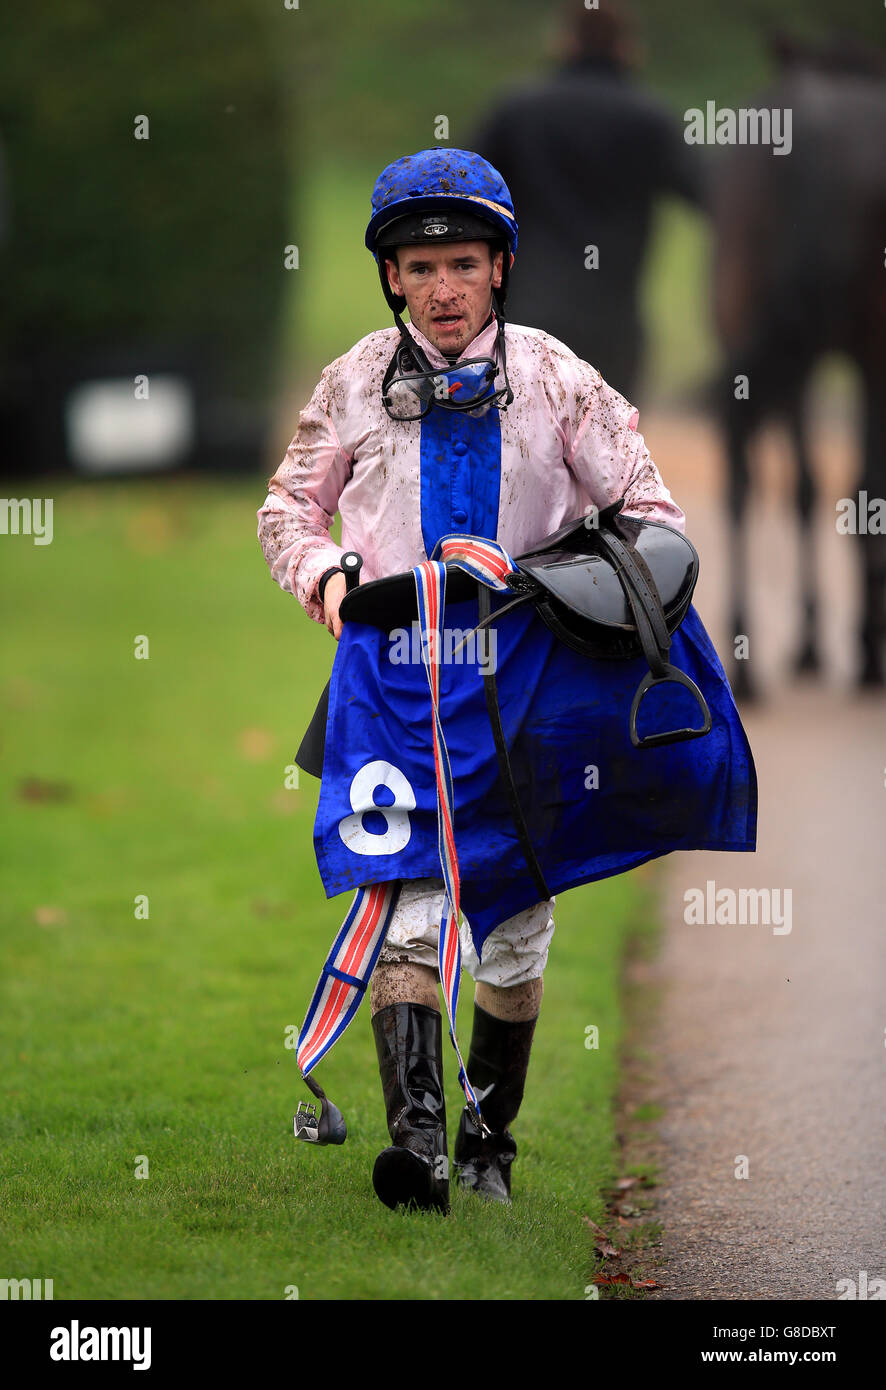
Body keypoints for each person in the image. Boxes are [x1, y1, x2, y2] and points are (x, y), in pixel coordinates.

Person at [257, 147, 684, 1214]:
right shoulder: (351, 380)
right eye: (419, 265)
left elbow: (653, 517)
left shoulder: (557, 376)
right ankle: (423, 1154)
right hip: (393, 694)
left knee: (513, 930)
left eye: (461, 262)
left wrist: (572, 592)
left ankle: (490, 1146)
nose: (442, 287)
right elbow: (286, 512)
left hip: (525, 694)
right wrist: (329, 576)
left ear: (499, 265)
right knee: (406, 904)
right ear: (390, 276)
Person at [472, 0, 702, 399]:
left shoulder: (518, 111)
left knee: (525, 444)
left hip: (527, 313)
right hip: (613, 321)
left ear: (564, 42)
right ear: (627, 47)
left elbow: (462, 190)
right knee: (609, 448)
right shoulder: (648, 120)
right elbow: (708, 194)